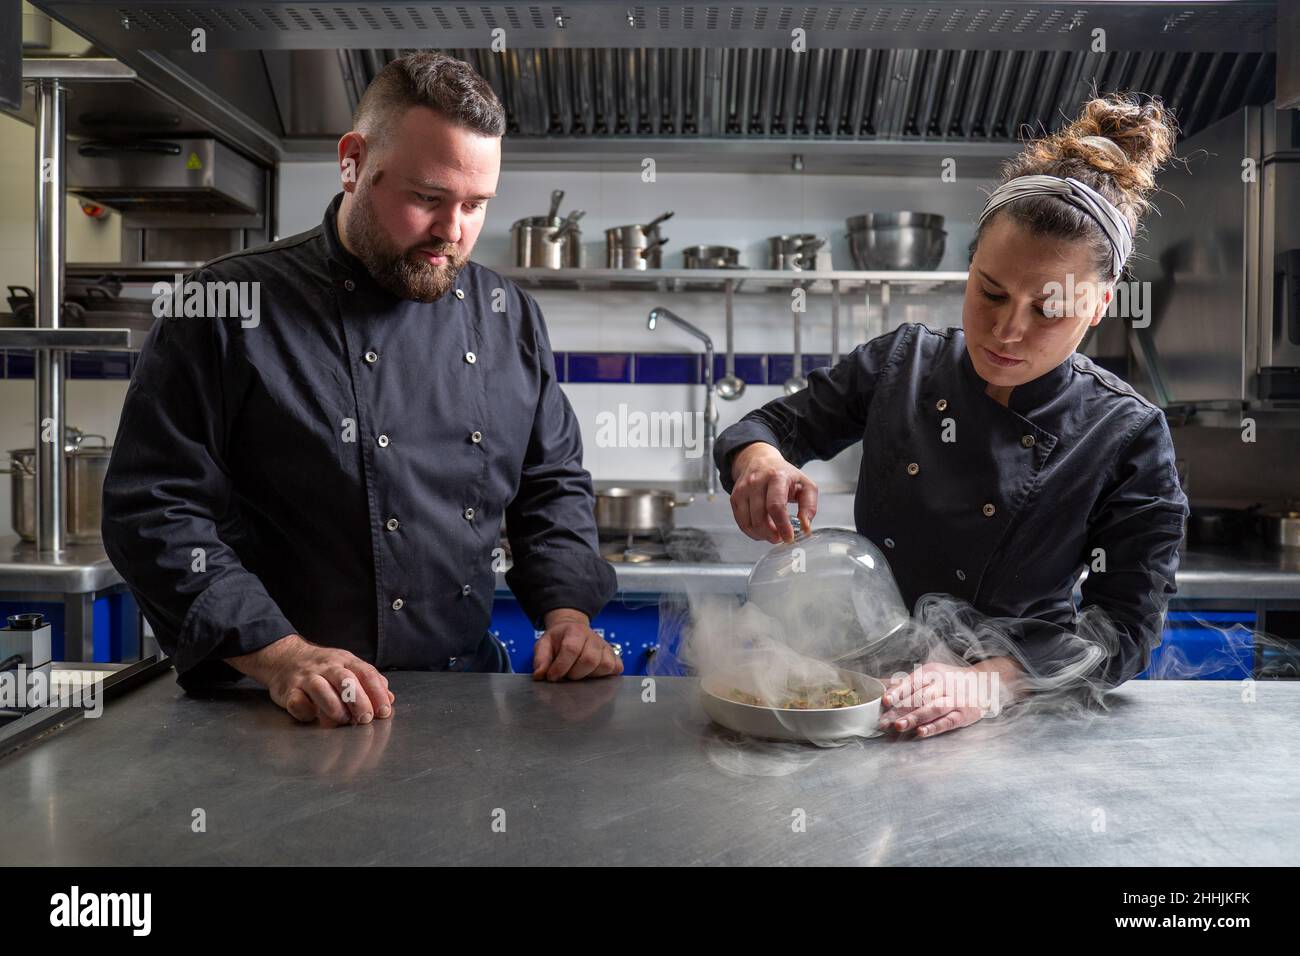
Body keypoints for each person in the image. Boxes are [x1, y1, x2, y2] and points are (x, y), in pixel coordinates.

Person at [102, 52, 621, 729]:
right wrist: (281, 654)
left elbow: (550, 482)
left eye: (475, 206)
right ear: (352, 161)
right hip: (274, 708)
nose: (452, 232)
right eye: (427, 198)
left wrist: (568, 616)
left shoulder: (507, 314)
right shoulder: (226, 305)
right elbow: (153, 507)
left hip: (463, 706)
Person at [714, 93, 1189, 739]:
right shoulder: (901, 364)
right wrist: (759, 461)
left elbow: (1125, 632)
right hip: (855, 695)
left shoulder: (1125, 432)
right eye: (990, 292)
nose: (1008, 330)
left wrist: (988, 681)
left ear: (1100, 304)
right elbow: (765, 428)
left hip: (1018, 717)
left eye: (1048, 309)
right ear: (969, 268)